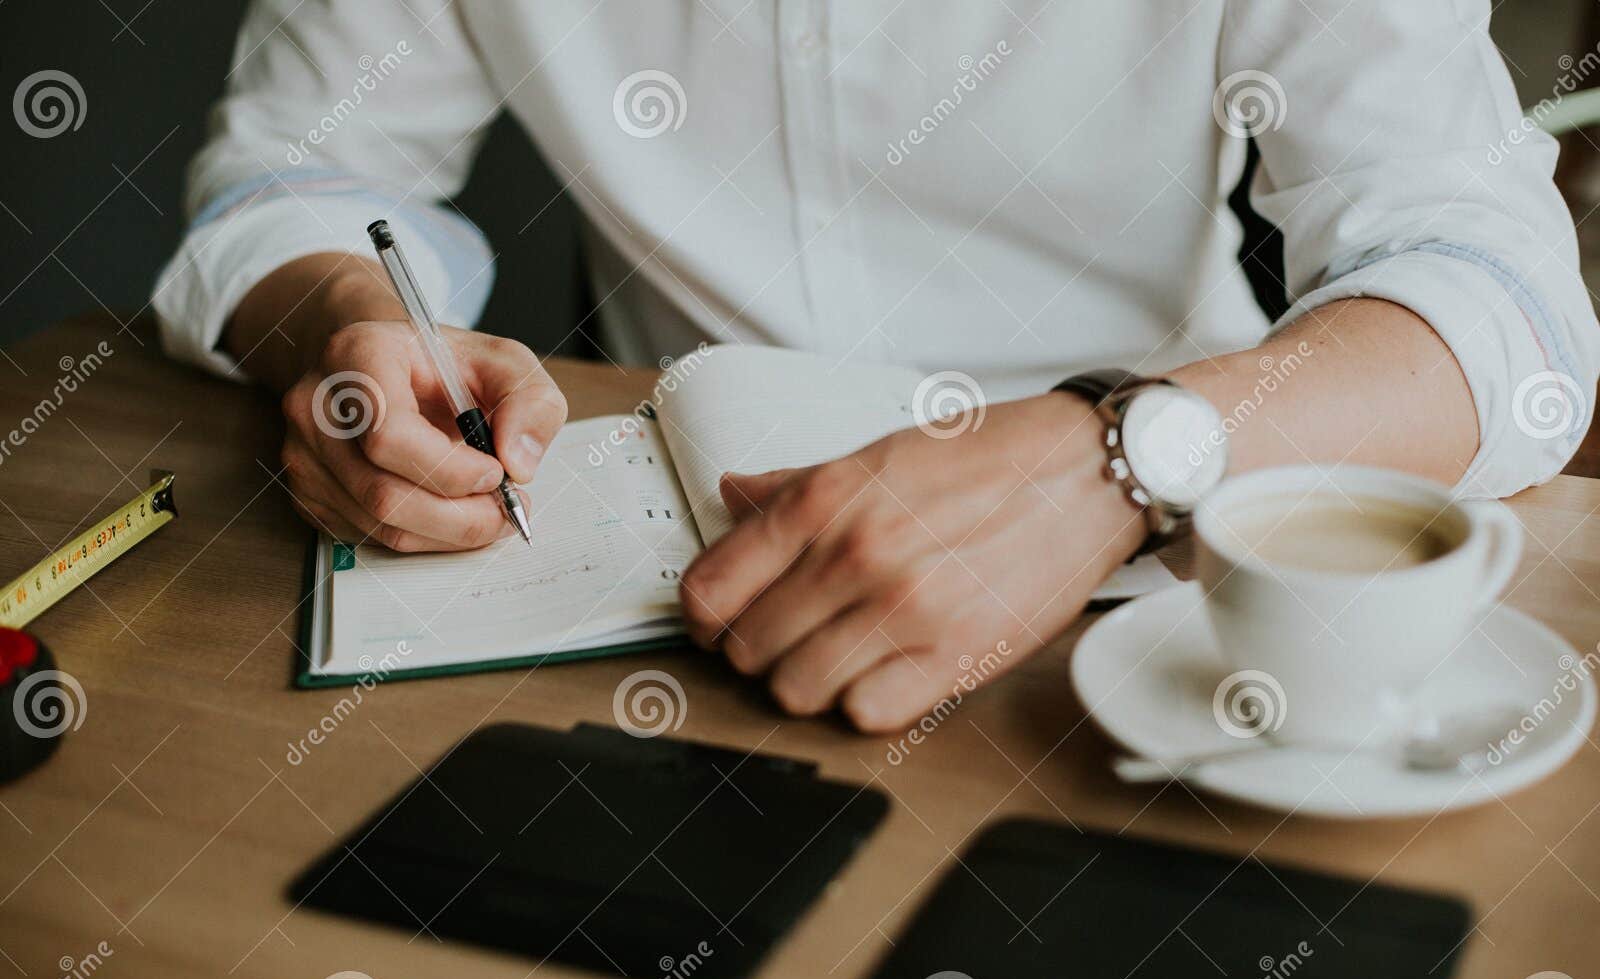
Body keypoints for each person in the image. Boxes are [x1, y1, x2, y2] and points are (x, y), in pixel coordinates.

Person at [154, 1, 1599, 732]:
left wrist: (1123, 456)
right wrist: (337, 314)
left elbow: (1507, 301)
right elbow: (293, 169)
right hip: (653, 626)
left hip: (1162, 599)